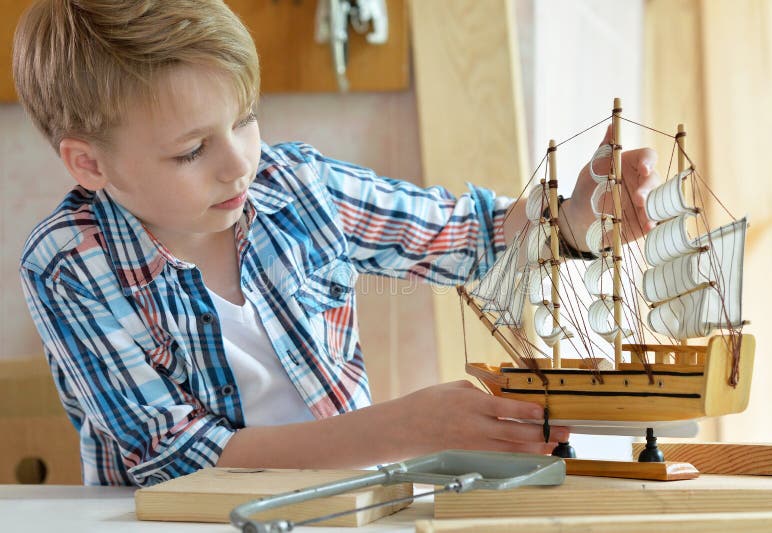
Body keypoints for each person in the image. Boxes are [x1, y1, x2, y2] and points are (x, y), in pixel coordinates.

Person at [13, 0, 658, 486]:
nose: (238, 165)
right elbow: (175, 460)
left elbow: (468, 236)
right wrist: (402, 429)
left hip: (350, 507)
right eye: (191, 151)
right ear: (90, 164)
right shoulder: (68, 265)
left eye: (244, 119)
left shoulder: (296, 186)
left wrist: (574, 216)